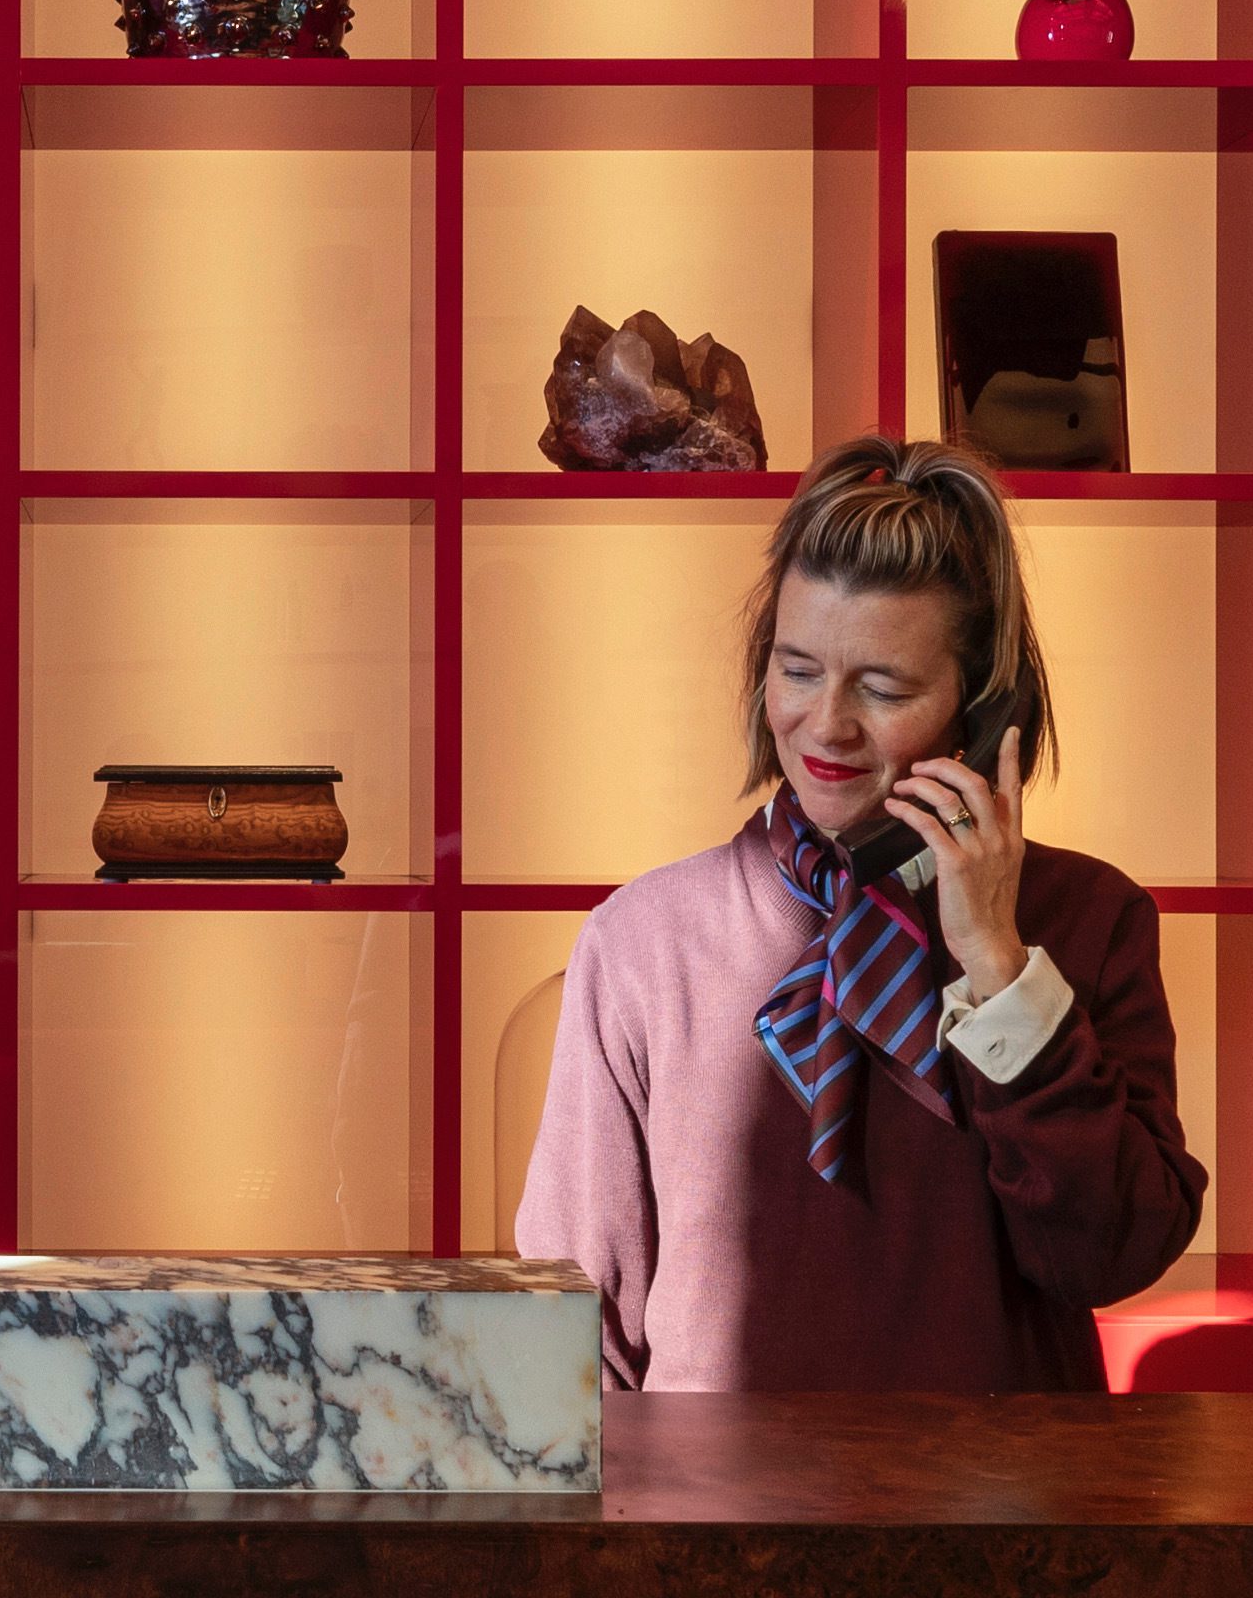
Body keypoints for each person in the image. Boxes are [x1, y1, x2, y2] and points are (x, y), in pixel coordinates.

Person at [515, 436, 1202, 1393]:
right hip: (709, 1488)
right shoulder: (641, 941)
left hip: (1006, 1490)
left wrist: (999, 967)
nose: (828, 726)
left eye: (883, 689)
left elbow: (1111, 1256)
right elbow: (578, 1335)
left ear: (985, 709)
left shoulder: (1089, 919)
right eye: (798, 671)